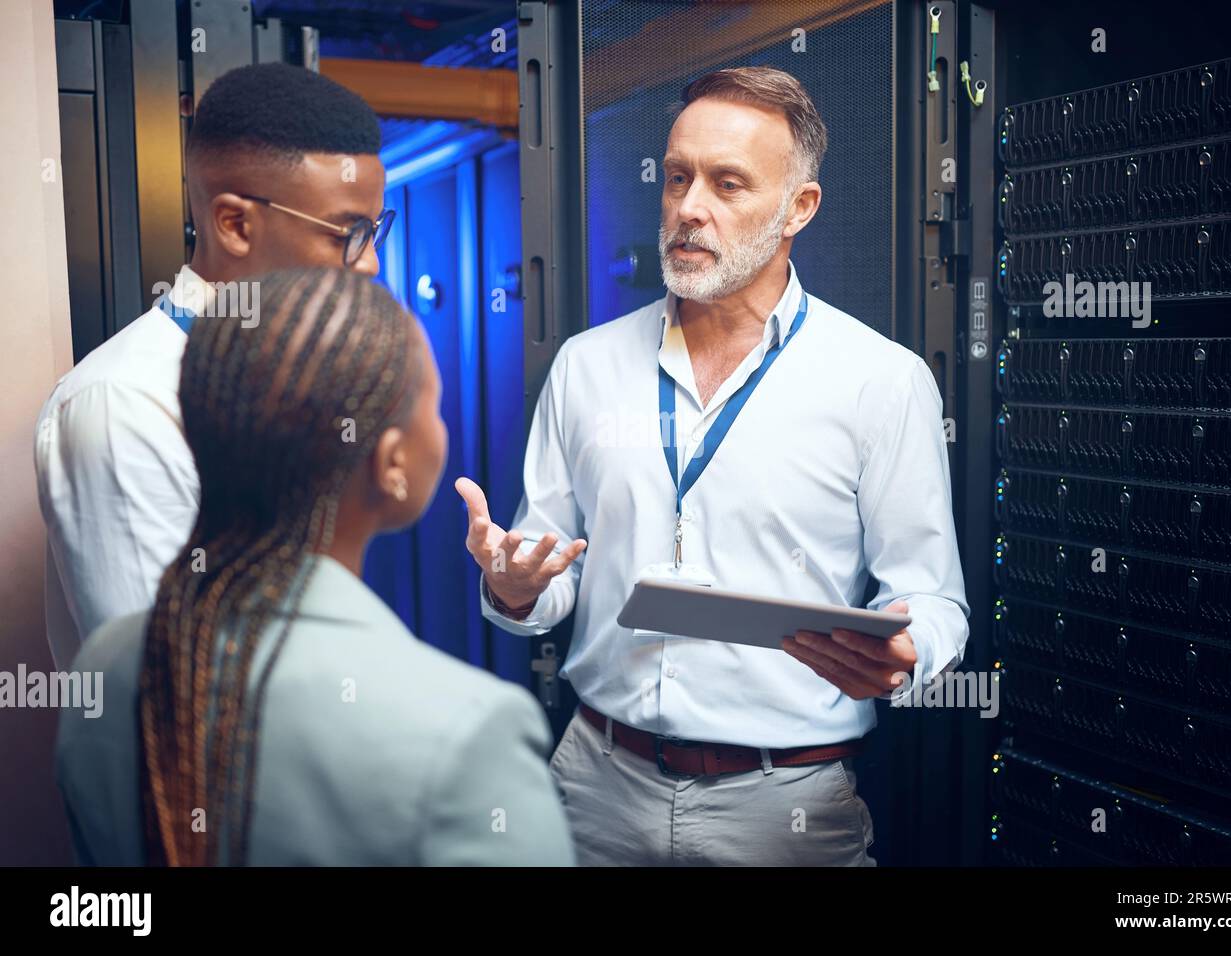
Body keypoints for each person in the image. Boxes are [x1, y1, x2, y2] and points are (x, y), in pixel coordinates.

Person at [456, 66, 969, 865]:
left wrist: (908, 655)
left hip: (783, 808)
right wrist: (512, 586)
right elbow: (549, 571)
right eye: (678, 178)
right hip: (594, 783)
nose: (690, 207)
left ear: (800, 208)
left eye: (728, 184)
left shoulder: (881, 380)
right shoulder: (586, 367)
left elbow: (934, 599)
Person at [56, 268, 575, 866]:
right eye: (432, 405)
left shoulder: (103, 668)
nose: (441, 424)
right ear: (391, 463)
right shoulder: (468, 735)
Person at [36, 62, 396, 670]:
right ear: (234, 224)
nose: (369, 266)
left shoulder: (295, 376)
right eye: (347, 233)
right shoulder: (123, 404)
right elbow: (173, 689)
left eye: (375, 230)